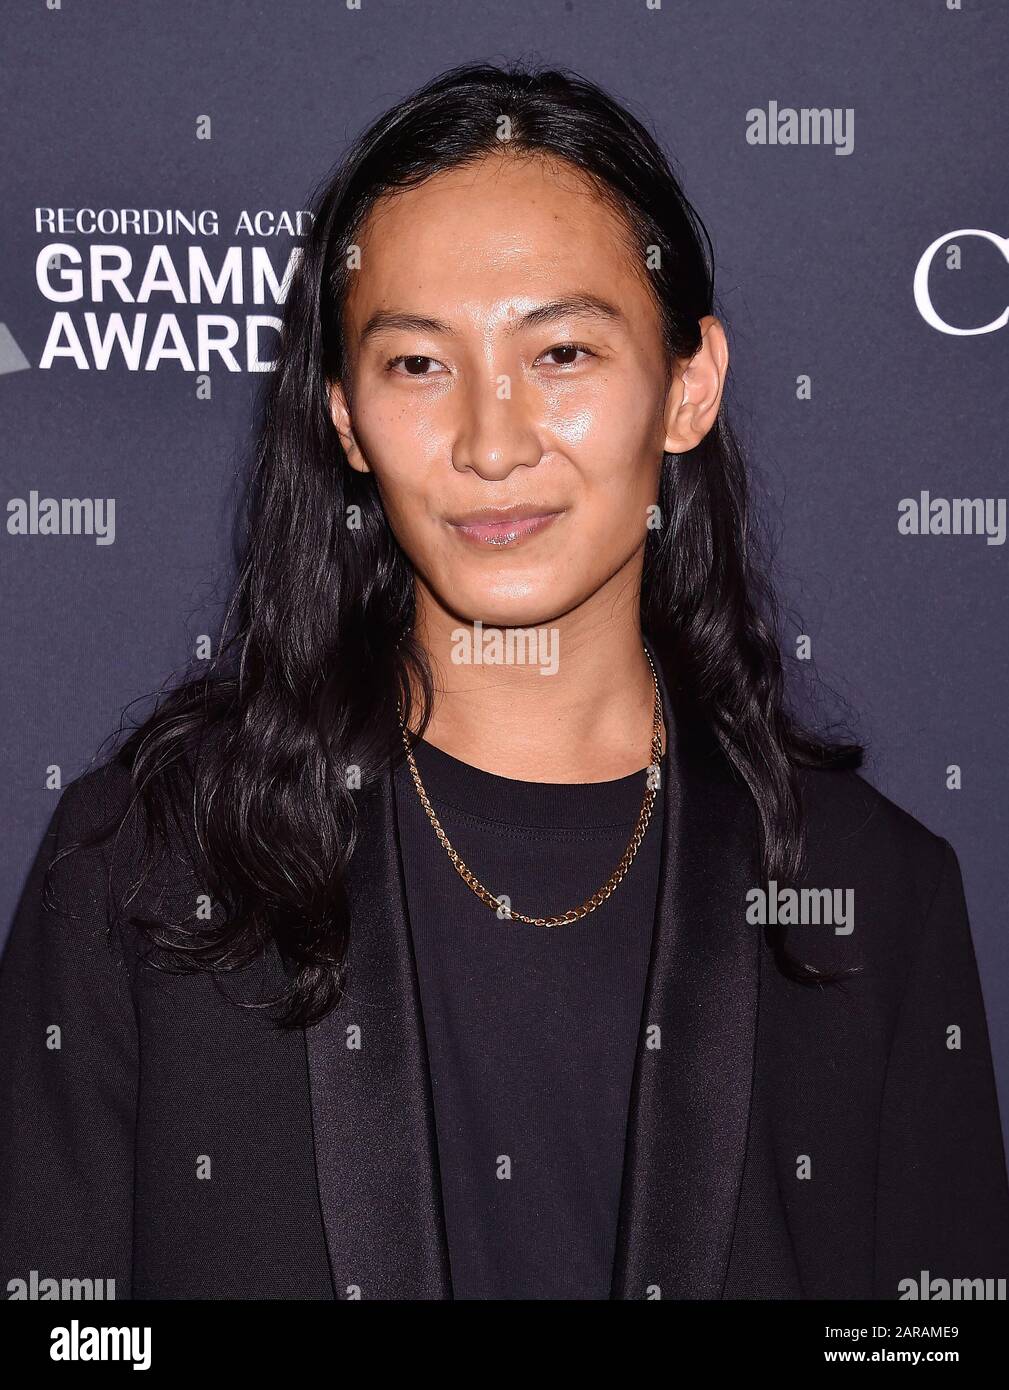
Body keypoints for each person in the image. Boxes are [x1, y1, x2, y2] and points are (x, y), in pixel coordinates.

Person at [2, 60, 1007, 1302]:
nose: (492, 442)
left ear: (687, 387)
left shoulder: (868, 891)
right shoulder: (145, 865)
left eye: (563, 352)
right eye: (418, 365)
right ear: (345, 418)